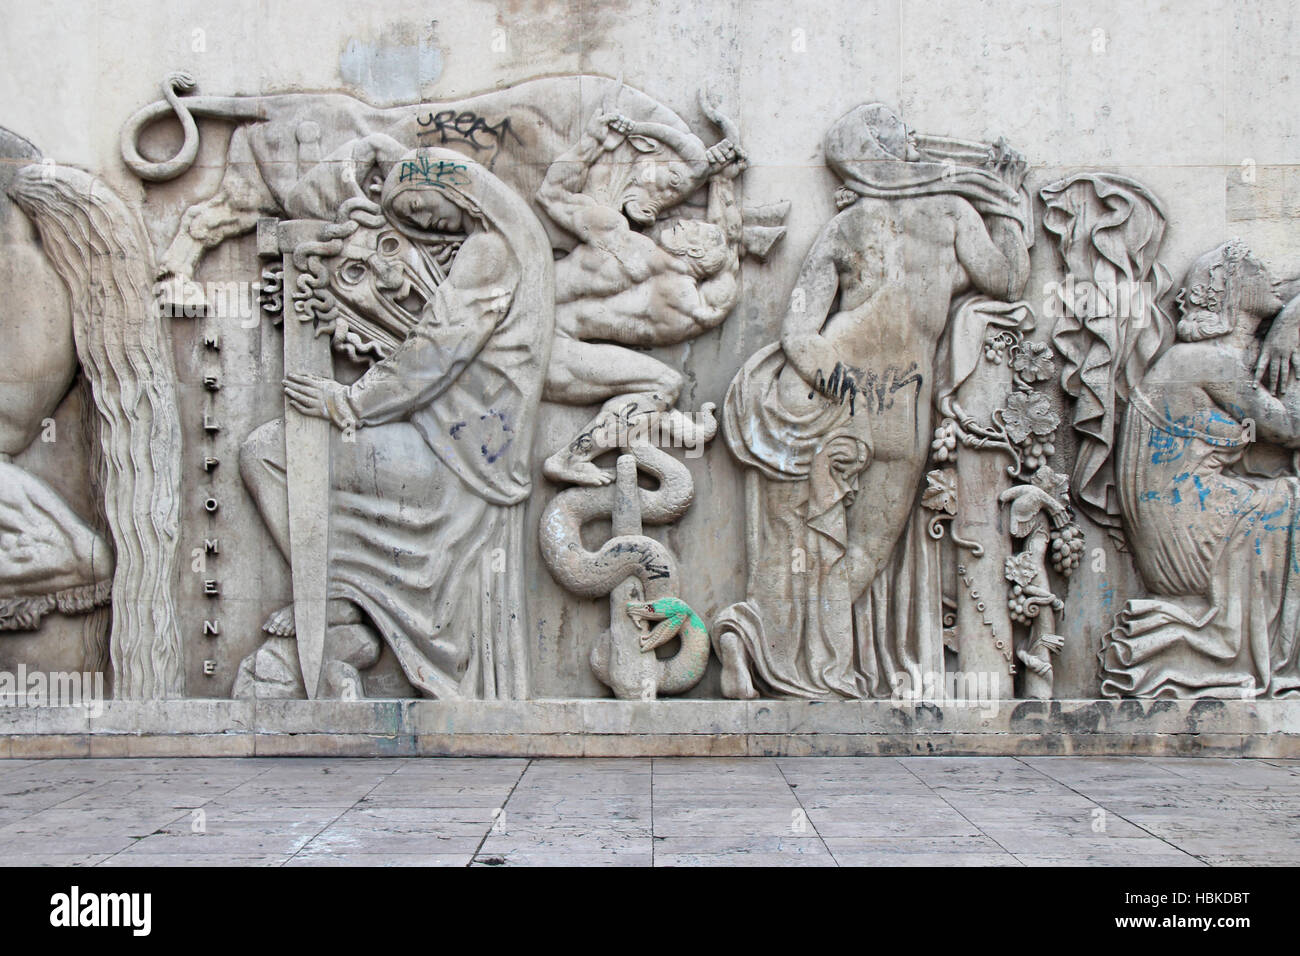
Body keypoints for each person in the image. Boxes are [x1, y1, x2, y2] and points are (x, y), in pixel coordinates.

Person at [716, 103, 1032, 699]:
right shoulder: (951, 213)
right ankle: (828, 676)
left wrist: (840, 384)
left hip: (821, 389)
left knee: (802, 542)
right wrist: (1009, 204)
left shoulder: (847, 226)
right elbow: (1008, 281)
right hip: (896, 401)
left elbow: (798, 332)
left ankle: (752, 637)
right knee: (861, 552)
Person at [239, 148, 554, 699]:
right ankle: (344, 597)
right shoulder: (503, 247)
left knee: (266, 450)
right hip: (457, 450)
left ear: (458, 187)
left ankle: (334, 598)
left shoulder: (489, 250)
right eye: (408, 218)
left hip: (449, 461)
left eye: (420, 207)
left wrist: (349, 402)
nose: (422, 222)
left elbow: (436, 351)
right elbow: (424, 339)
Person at [1102, 240, 1300, 698]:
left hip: (1192, 522)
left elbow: (1286, 290)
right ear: (1231, 287)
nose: (1266, 270)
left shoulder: (1214, 359)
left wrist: (1289, 320)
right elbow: (1290, 428)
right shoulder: (1205, 360)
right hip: (1189, 536)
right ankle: (1284, 663)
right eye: (1253, 264)